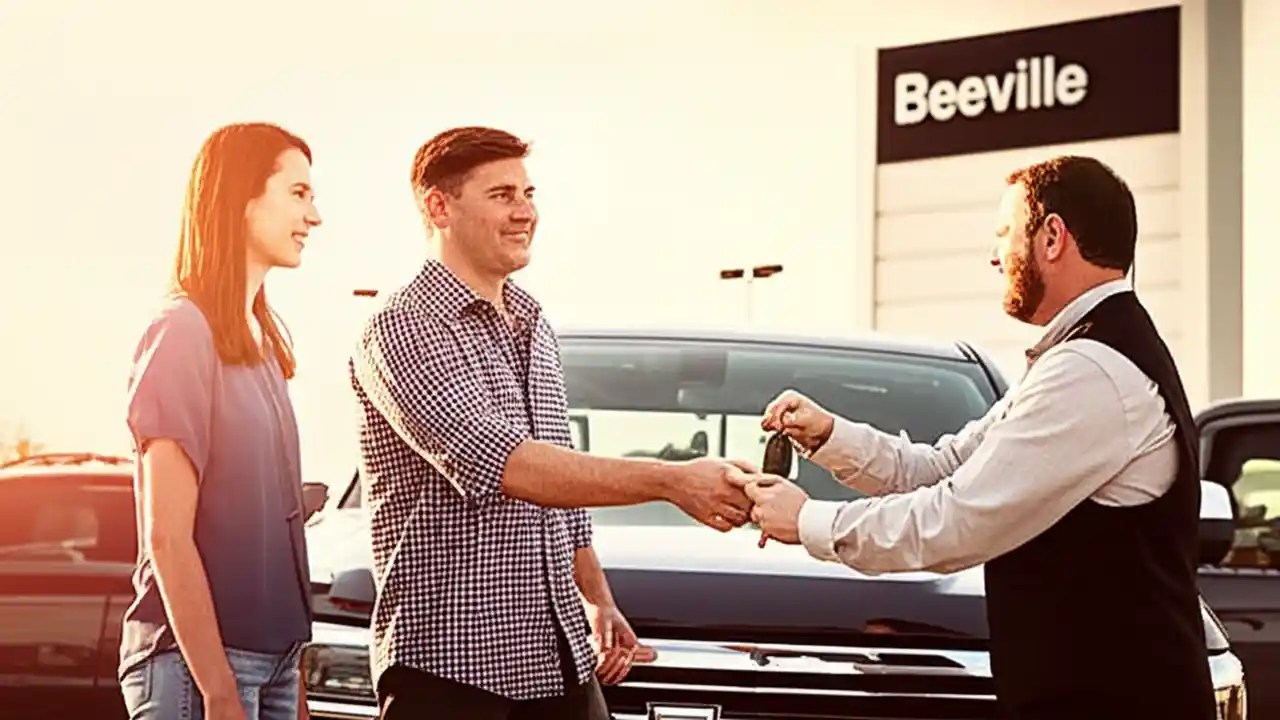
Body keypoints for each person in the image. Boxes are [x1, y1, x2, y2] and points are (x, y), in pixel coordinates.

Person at [744, 155, 1215, 720]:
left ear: (1052, 237)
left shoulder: (1091, 372)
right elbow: (943, 467)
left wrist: (807, 521)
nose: (994, 255)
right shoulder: (1082, 357)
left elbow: (957, 520)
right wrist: (829, 436)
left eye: (1004, 232)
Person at [349, 125, 754, 720]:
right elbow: (508, 464)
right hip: (451, 668)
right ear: (439, 207)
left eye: (528, 193)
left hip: (557, 657)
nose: (525, 212)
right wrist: (672, 480)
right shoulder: (403, 325)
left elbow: (563, 489)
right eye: (501, 195)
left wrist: (597, 599)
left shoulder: (532, 319)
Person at [119, 122, 323, 720]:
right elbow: (167, 536)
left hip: (274, 662)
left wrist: (292, 678)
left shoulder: (264, 343)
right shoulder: (181, 332)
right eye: (298, 193)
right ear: (241, 199)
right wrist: (219, 689)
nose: (314, 216)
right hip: (195, 668)